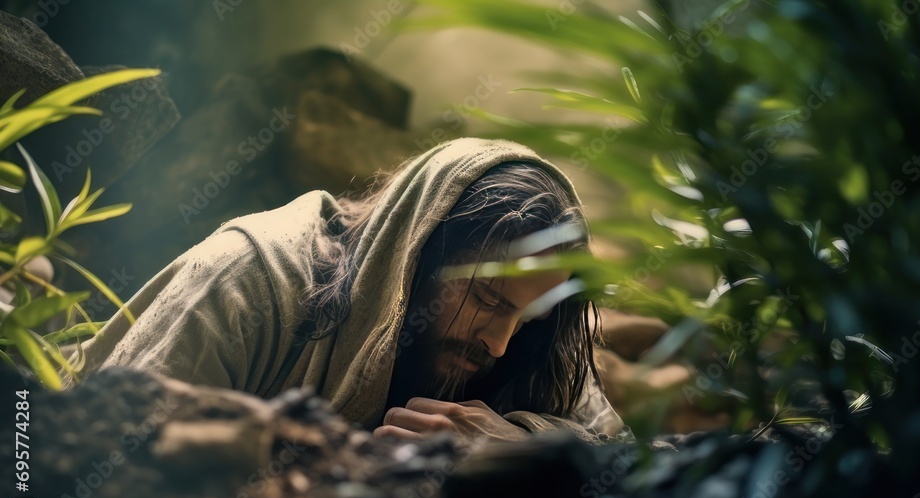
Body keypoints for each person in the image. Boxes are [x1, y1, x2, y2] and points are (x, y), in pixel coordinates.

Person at [61, 138, 625, 443]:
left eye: (523, 319)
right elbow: (106, 455)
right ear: (418, 253)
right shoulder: (251, 282)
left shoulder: (530, 349)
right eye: (487, 301)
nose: (500, 345)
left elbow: (627, 465)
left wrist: (521, 448)